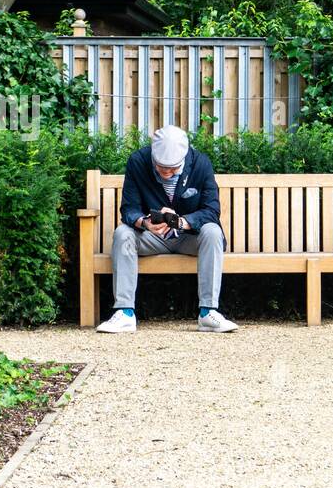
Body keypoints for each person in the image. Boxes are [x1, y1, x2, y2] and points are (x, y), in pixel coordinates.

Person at [96, 124, 239, 333]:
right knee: (122, 233)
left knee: (213, 232)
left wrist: (181, 222)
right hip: (151, 237)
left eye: (173, 168)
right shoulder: (138, 161)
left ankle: (208, 313)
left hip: (189, 237)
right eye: (162, 167)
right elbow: (129, 209)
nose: (167, 172)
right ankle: (125, 314)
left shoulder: (201, 163)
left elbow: (211, 210)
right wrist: (144, 222)